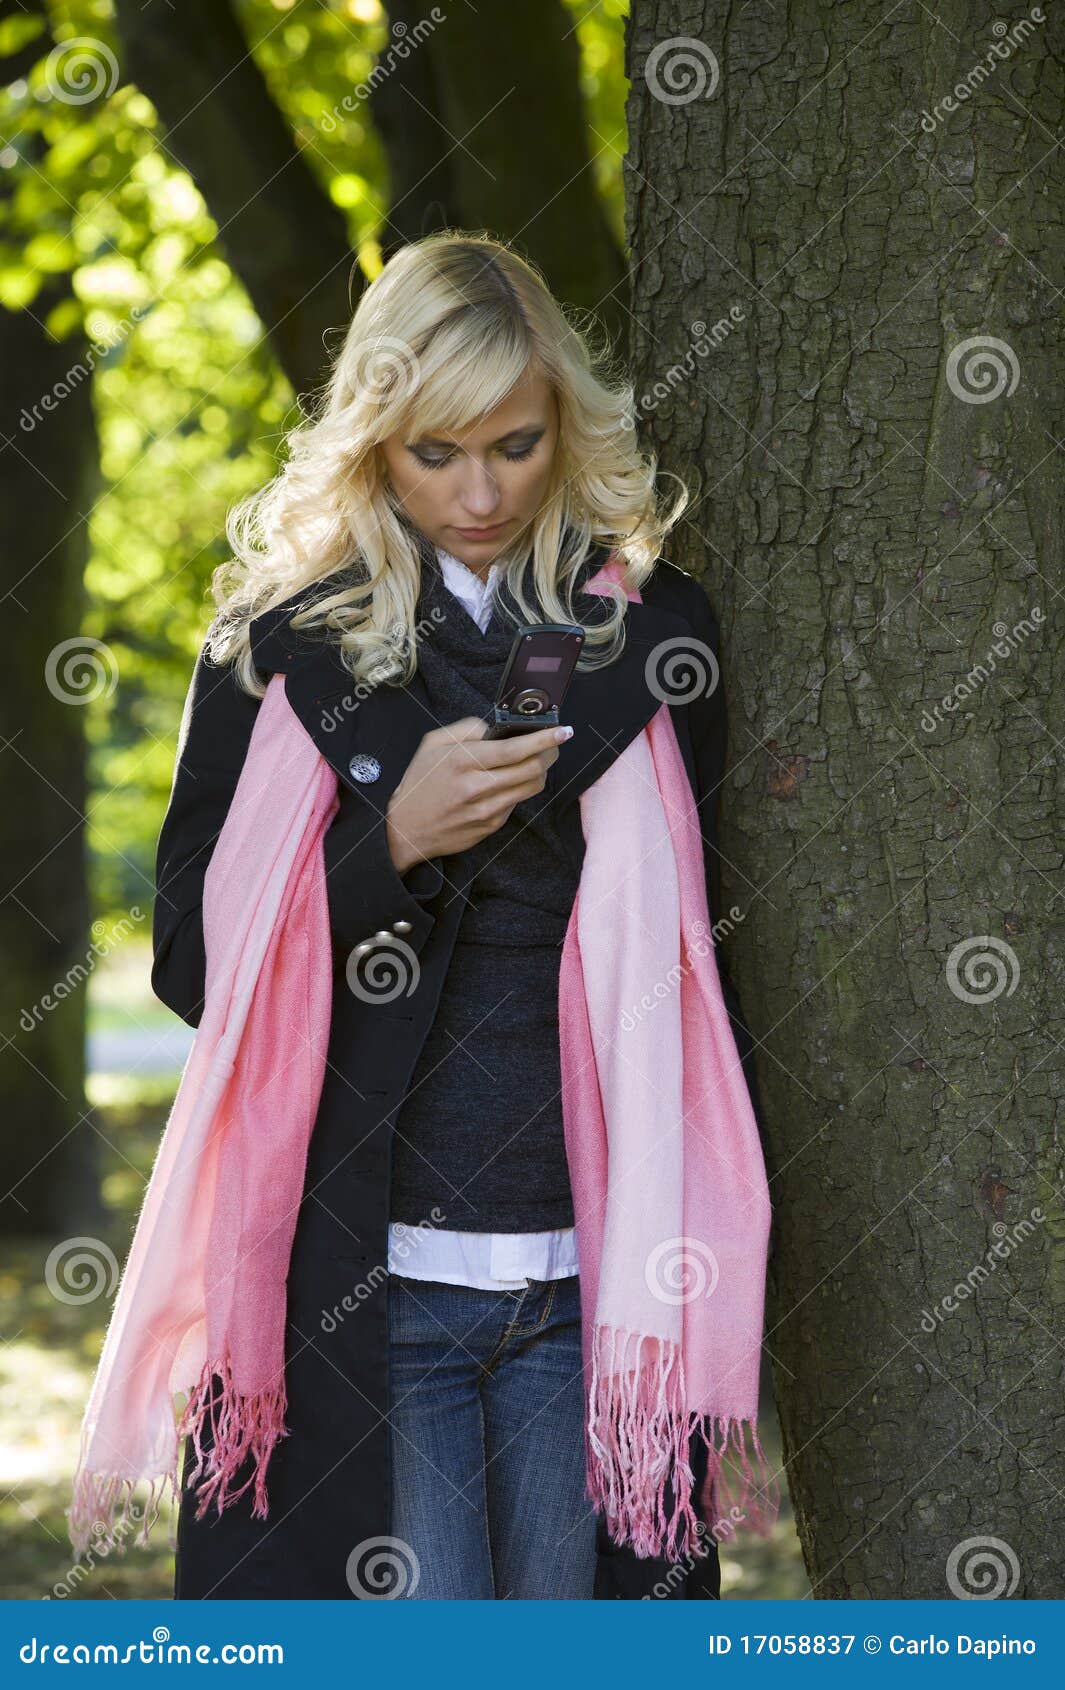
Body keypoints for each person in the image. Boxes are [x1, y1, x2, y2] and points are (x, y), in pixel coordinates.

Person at [146, 232, 766, 1599]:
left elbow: (718, 955)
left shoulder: (658, 636)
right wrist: (391, 843)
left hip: (598, 1281)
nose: (479, 492)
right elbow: (192, 961)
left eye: (513, 443)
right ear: (373, 442)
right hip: (373, 1278)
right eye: (435, 453)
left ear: (565, 425)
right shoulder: (276, 646)